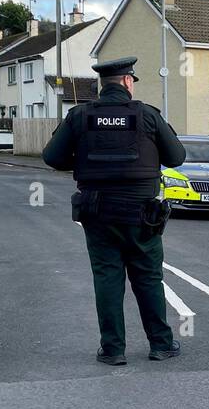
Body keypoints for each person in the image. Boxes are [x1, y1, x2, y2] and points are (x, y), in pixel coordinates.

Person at [42, 56, 187, 364]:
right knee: (148, 277)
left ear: (102, 85)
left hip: (98, 213)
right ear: (127, 81)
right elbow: (176, 158)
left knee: (107, 277)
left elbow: (52, 157)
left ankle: (113, 349)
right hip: (142, 215)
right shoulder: (147, 116)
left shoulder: (80, 116)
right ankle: (160, 344)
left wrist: (83, 160)